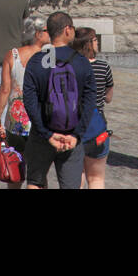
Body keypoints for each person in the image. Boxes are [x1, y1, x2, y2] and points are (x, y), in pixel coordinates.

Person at [22, 10, 97, 191]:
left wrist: (46, 133)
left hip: (43, 134)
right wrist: (76, 135)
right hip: (71, 133)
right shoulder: (82, 63)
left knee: (35, 182)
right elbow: (89, 102)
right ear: (67, 30)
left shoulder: (36, 61)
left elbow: (30, 102)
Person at [0, 17, 50, 189]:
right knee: (38, 173)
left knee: (15, 169)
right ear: (38, 34)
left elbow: (4, 89)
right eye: (46, 30)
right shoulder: (49, 56)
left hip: (16, 121)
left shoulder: (13, 54)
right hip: (39, 120)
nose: (50, 33)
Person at [74, 27, 114, 189]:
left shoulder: (71, 66)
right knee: (96, 178)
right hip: (96, 125)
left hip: (75, 124)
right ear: (88, 44)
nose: (97, 42)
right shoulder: (103, 67)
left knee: (77, 175)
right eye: (95, 39)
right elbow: (108, 97)